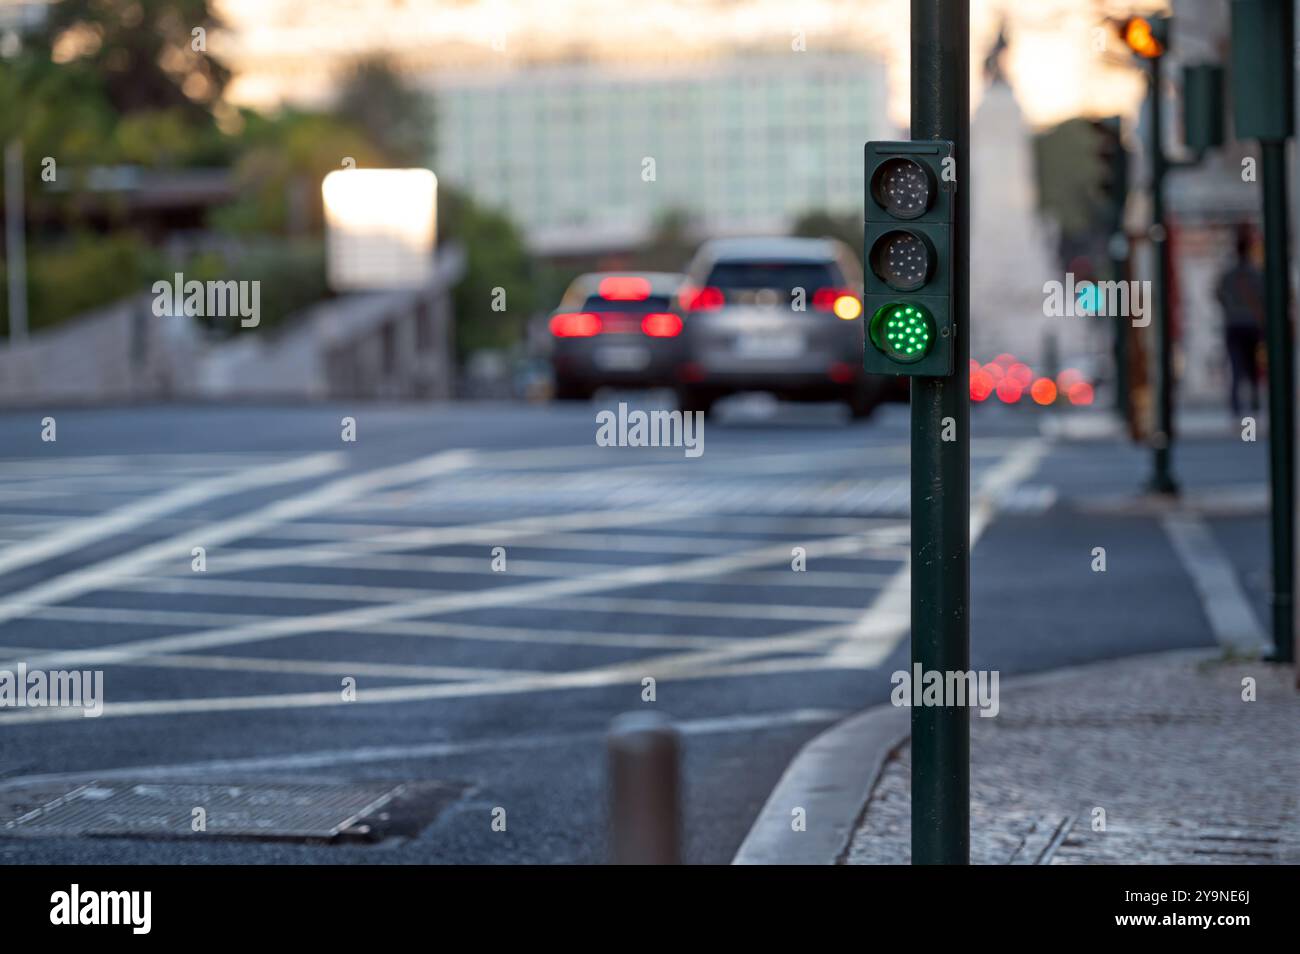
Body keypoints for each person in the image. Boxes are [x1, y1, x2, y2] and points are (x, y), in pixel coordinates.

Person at [1215, 224, 1265, 417]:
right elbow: (1263, 298)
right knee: (1252, 366)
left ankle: (1237, 407)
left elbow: (1218, 295)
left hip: (1233, 324)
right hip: (1251, 324)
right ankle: (1253, 404)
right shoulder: (1256, 274)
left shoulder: (1228, 275)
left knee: (1236, 367)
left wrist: (1231, 308)